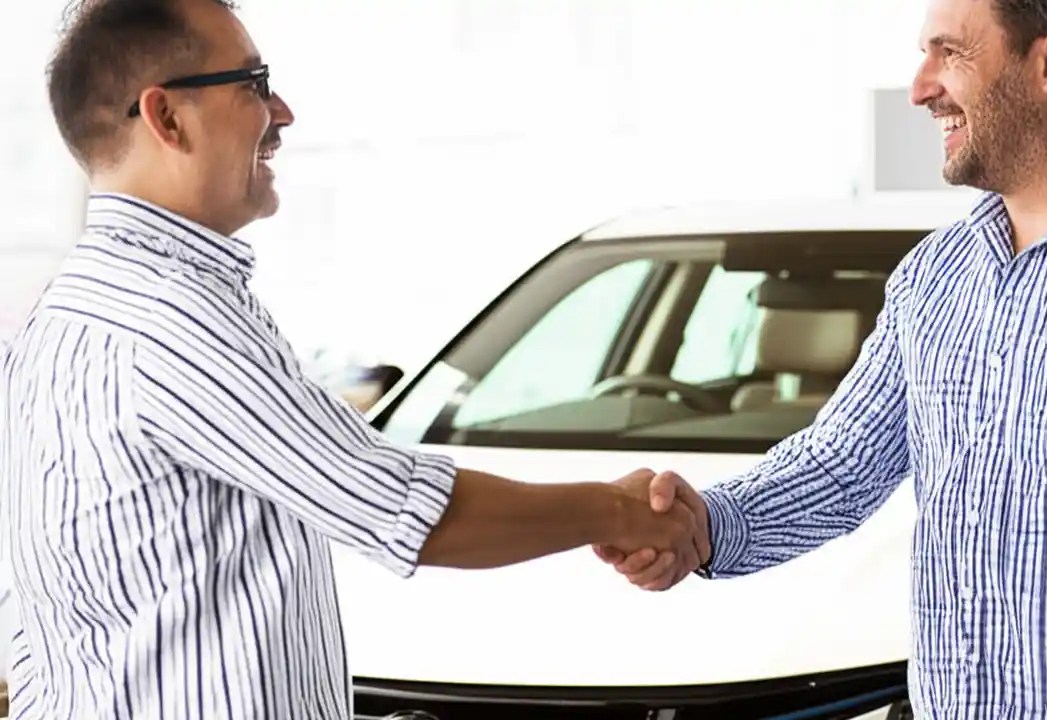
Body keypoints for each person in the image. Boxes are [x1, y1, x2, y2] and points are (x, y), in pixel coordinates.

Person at [0, 0, 705, 717]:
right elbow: (404, 508)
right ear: (167, 118)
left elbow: (34, 616)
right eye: (254, 82)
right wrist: (615, 510)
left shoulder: (62, 315)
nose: (282, 112)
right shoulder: (169, 319)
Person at [598, 0, 1047, 717]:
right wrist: (706, 525)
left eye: (950, 53)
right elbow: (840, 464)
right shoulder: (934, 276)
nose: (921, 87)